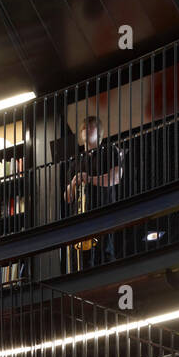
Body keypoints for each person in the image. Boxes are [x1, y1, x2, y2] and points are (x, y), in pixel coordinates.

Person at [64, 114, 124, 269]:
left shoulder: (110, 150)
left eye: (92, 126)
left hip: (103, 215)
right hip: (81, 221)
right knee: (82, 263)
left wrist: (88, 178)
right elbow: (68, 198)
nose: (87, 129)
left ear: (100, 132)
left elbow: (115, 178)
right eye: (84, 127)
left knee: (105, 257)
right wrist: (73, 182)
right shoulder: (75, 162)